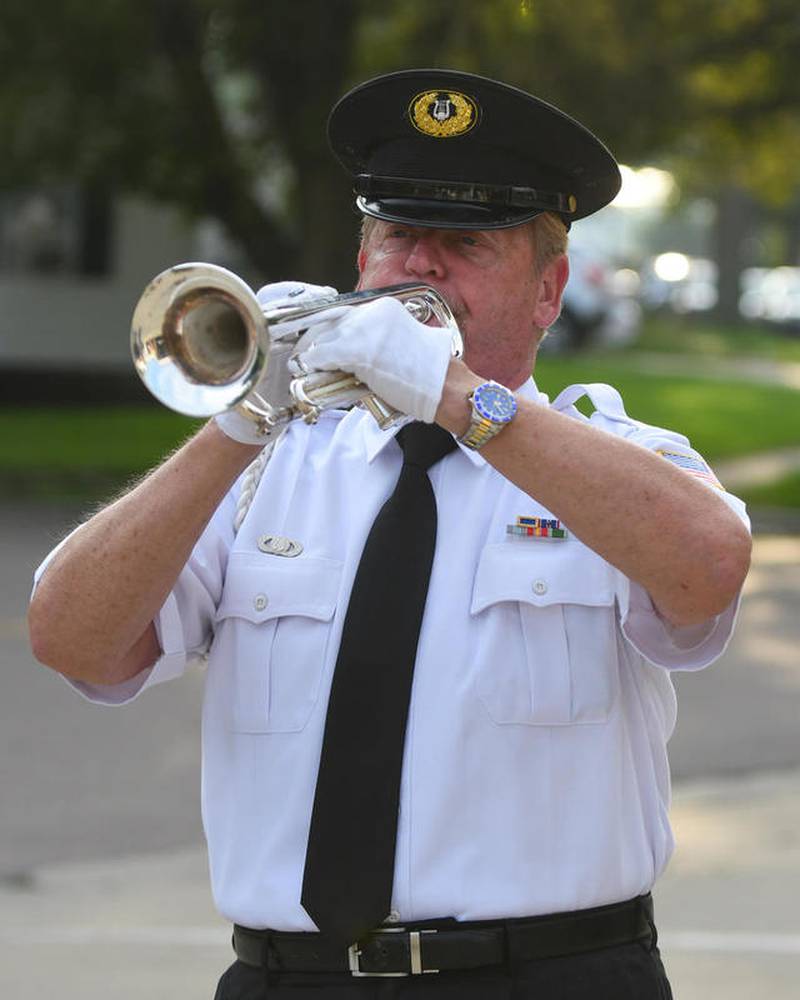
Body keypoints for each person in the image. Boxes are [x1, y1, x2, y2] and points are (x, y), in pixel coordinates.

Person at [29, 69, 751, 999]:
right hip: (290, 979)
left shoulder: (619, 459)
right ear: (362, 253)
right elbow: (72, 637)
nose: (421, 266)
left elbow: (708, 568)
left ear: (548, 288)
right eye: (399, 235)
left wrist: (456, 398)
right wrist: (242, 419)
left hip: (551, 976)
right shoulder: (261, 467)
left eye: (465, 244)